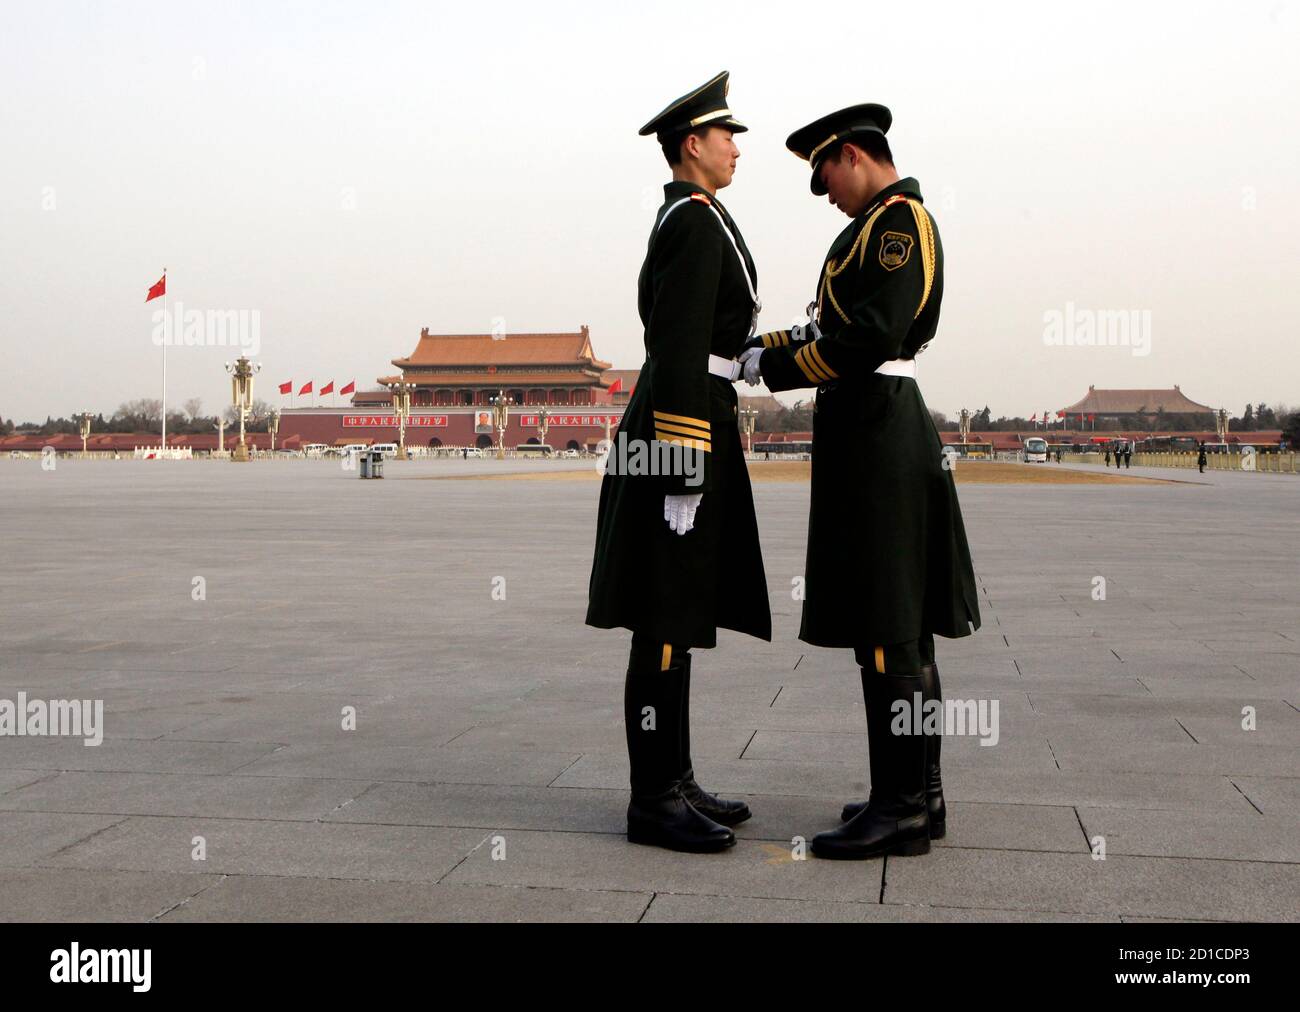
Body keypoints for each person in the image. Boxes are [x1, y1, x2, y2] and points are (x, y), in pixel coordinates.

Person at [739, 104, 980, 859]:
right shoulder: (868, 228)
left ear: (849, 154)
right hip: (868, 422)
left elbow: (869, 336)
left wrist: (773, 370)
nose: (828, 195)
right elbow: (826, 328)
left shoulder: (898, 224)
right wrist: (759, 348)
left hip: (878, 423)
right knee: (899, 624)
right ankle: (919, 794)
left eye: (827, 178)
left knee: (887, 625)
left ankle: (900, 809)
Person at [586, 71, 771, 853]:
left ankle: (677, 777)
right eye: (728, 135)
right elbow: (675, 348)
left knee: (681, 611)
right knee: (663, 616)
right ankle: (652, 798)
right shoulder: (693, 222)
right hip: (679, 430)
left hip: (694, 417)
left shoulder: (698, 217)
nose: (737, 148)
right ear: (693, 143)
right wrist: (682, 465)